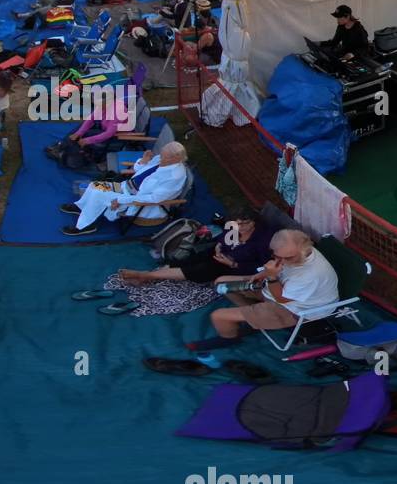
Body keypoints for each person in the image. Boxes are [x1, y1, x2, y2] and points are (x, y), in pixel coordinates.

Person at [155, 228, 339, 373]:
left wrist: (272, 277)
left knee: (219, 316)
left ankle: (229, 339)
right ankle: (252, 318)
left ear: (304, 248)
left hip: (296, 310)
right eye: (276, 256)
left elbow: (282, 298)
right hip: (279, 291)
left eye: (286, 258)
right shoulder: (297, 254)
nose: (280, 261)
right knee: (221, 282)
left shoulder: (310, 274)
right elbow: (278, 272)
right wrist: (262, 274)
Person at [80, 213, 270, 316]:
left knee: (200, 270)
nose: (237, 226)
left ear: (252, 224)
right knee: (187, 259)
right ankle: (147, 276)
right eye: (235, 222)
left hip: (231, 266)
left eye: (242, 224)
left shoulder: (261, 241)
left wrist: (233, 263)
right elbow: (221, 238)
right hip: (218, 255)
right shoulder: (233, 228)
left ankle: (146, 276)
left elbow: (259, 267)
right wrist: (220, 246)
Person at [64, 138, 193, 234]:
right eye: (162, 154)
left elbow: (154, 198)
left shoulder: (174, 177)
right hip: (126, 187)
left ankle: (85, 226)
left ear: (175, 159)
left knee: (98, 194)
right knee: (95, 185)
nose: (160, 157)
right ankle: (82, 207)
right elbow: (139, 169)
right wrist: (144, 160)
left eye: (164, 157)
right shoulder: (162, 159)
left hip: (134, 199)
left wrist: (121, 200)